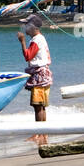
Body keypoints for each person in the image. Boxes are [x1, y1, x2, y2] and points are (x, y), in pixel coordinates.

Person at [17, 14, 52, 144]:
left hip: (39, 75)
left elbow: (28, 56)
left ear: (33, 27)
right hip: (44, 74)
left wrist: (22, 42)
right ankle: (43, 133)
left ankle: (38, 134)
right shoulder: (41, 38)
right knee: (41, 106)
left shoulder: (36, 40)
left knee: (37, 105)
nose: (25, 27)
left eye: (27, 25)